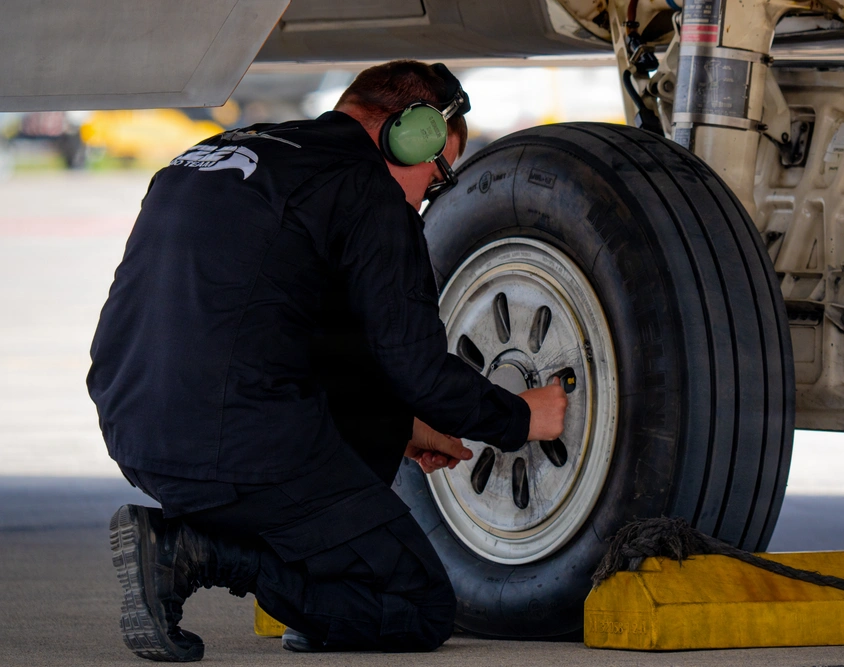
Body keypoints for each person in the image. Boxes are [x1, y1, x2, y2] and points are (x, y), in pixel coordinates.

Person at [88, 60, 568, 661]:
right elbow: (416, 366)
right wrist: (521, 417)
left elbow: (282, 328)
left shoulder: (215, 155)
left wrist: (399, 425)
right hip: (241, 448)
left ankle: (317, 601)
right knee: (419, 608)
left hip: (137, 434)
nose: (430, 194)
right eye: (439, 172)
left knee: (344, 472)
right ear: (411, 134)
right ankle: (196, 553)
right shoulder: (366, 189)